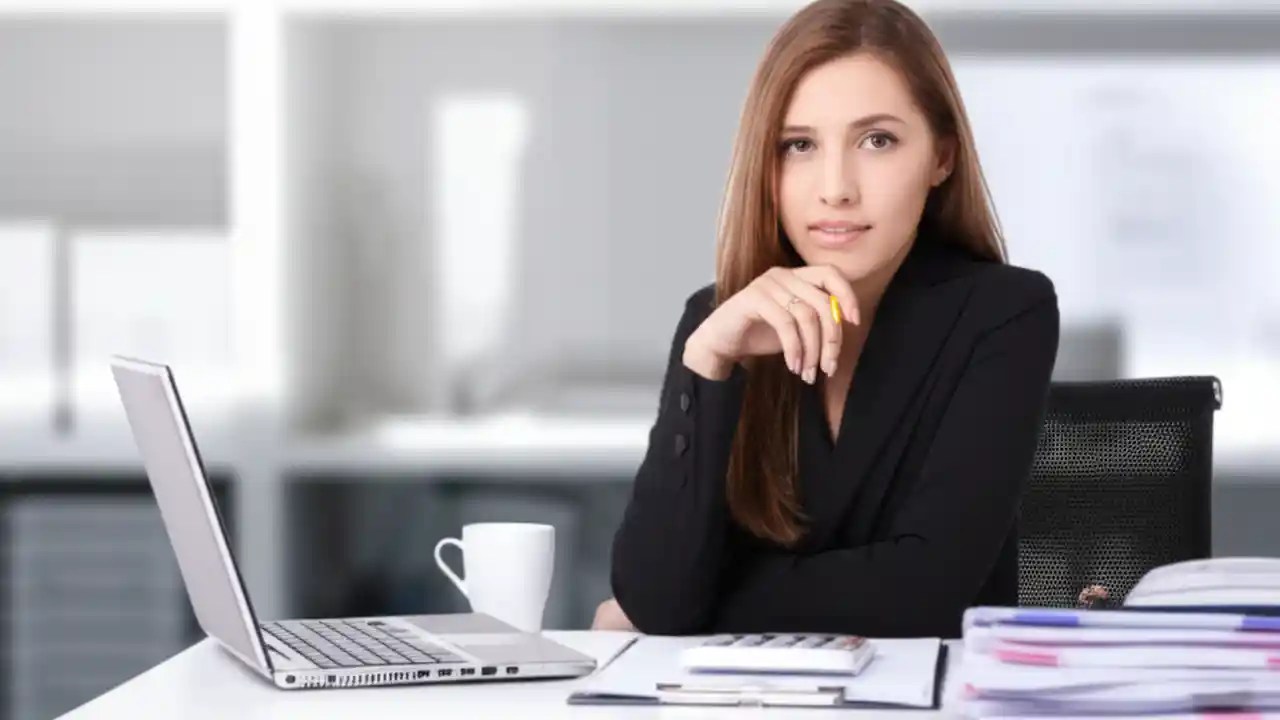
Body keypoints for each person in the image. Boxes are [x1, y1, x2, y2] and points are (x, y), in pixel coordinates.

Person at [593, 0, 1059, 639]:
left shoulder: (1003, 313)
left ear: (941, 157)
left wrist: (700, 607)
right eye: (799, 145)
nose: (836, 187)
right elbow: (655, 590)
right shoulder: (719, 321)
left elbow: (924, 592)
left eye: (877, 140)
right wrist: (708, 363)